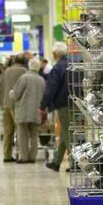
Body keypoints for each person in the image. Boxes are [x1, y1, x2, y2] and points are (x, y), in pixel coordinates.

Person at [41, 42, 72, 172]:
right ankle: (56, 162)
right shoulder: (73, 65)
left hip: (63, 105)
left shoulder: (57, 68)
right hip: (77, 103)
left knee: (68, 133)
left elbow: (50, 89)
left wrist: (43, 105)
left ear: (55, 54)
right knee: (67, 133)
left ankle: (77, 162)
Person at [11, 58, 47, 163]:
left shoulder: (24, 78)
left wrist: (10, 93)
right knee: (34, 135)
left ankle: (24, 157)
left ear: (29, 66)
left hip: (23, 111)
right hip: (36, 112)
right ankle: (33, 157)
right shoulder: (42, 80)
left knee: (22, 135)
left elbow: (16, 94)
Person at [0, 55, 27, 163]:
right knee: (20, 130)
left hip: (6, 104)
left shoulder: (6, 71)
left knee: (8, 131)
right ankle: (21, 154)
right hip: (18, 104)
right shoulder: (24, 71)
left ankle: (7, 155)